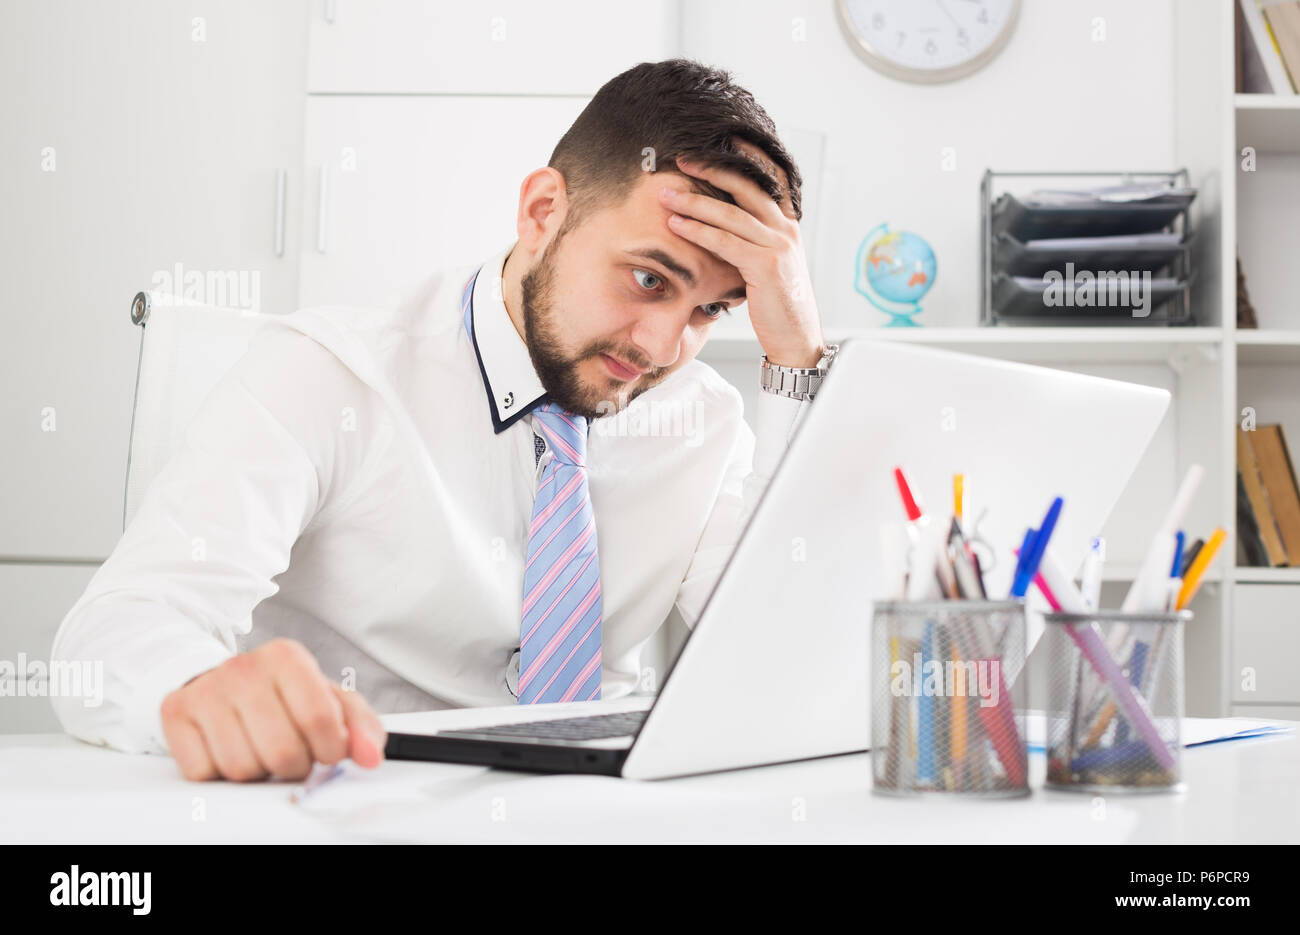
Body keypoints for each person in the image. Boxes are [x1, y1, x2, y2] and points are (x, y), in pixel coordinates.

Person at [50, 58, 831, 782]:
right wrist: (200, 685)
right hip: (360, 805)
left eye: (711, 311)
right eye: (648, 278)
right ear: (542, 211)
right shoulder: (330, 374)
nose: (664, 346)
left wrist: (797, 357)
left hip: (599, 817)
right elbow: (116, 633)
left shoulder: (705, 426)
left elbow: (792, 665)